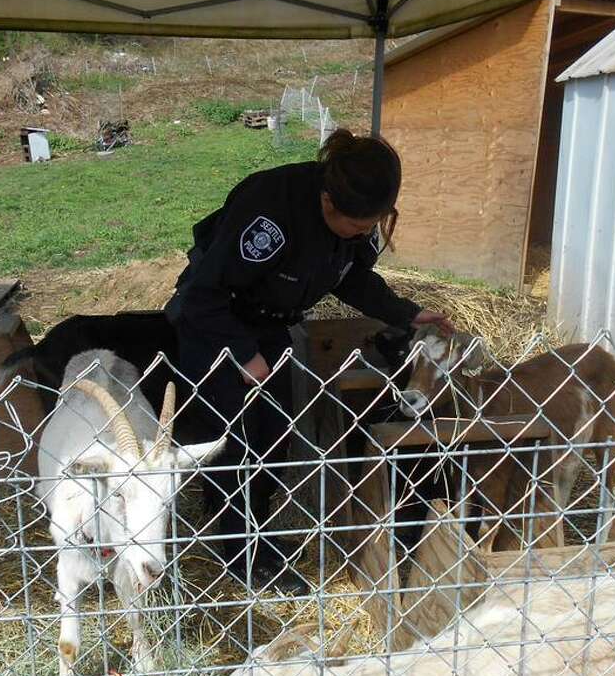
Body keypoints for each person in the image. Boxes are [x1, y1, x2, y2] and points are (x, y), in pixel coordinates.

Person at [164, 128, 452, 594]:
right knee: (237, 440)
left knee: (273, 440)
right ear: (327, 204)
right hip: (216, 322)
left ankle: (251, 529)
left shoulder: (350, 219)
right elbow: (202, 295)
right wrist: (243, 353)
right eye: (358, 227)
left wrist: (406, 312)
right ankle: (240, 552)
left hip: (270, 324)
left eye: (371, 226)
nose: (363, 235)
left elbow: (352, 278)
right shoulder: (271, 214)